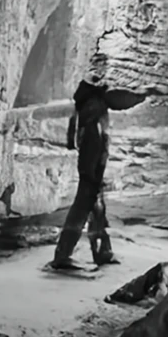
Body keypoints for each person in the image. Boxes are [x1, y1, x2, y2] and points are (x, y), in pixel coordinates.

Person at [51, 80, 119, 270]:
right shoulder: (92, 127)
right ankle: (63, 255)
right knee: (80, 215)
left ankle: (102, 251)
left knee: (96, 214)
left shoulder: (91, 124)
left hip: (92, 178)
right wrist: (92, 178)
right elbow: (92, 154)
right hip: (90, 178)